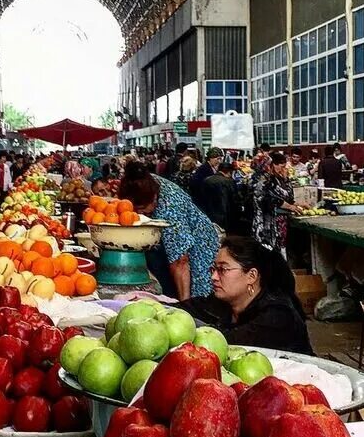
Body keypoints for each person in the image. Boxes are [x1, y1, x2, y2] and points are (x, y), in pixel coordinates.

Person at [177, 236, 312, 353]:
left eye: (222, 269)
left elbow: (227, 342)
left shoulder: (278, 315)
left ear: (252, 276)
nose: (213, 277)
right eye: (214, 269)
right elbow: (180, 309)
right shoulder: (222, 303)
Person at [118, 162, 219, 299]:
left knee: (199, 298)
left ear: (154, 197)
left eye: (143, 210)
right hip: (171, 251)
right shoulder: (140, 182)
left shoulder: (170, 206)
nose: (141, 214)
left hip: (200, 246)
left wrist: (185, 304)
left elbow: (180, 261)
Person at [251, 151, 303, 254]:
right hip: (266, 221)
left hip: (274, 221)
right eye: (282, 166)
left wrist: (285, 179)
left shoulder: (272, 179)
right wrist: (291, 207)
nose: (283, 169)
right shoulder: (262, 181)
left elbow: (288, 197)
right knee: (268, 250)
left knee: (276, 249)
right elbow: (272, 199)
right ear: (272, 165)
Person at [202, 161, 238, 232]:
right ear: (229, 172)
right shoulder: (229, 182)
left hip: (208, 212)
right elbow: (234, 198)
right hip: (224, 214)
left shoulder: (207, 180)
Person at [190, 147, 224, 211]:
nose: (219, 161)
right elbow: (196, 185)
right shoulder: (204, 169)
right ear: (211, 158)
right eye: (218, 159)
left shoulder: (212, 167)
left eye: (220, 159)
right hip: (203, 201)